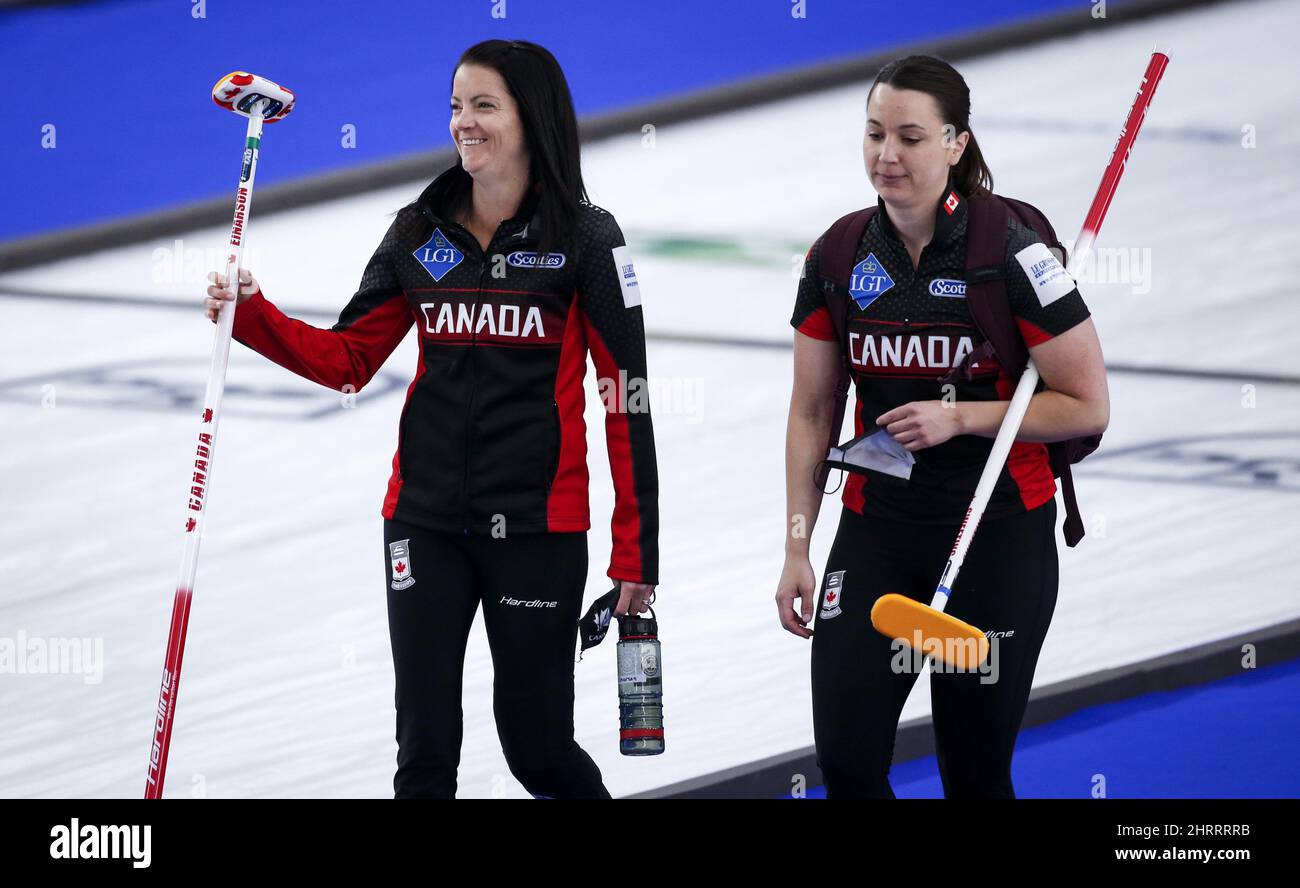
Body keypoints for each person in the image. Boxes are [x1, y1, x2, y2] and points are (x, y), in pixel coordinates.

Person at [204, 39, 659, 799]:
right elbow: (348, 358)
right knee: (423, 756)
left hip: (539, 530)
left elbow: (627, 399)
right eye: (456, 106)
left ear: (531, 116)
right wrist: (249, 315)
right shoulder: (418, 230)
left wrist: (635, 554)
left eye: (484, 105)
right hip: (423, 522)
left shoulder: (587, 241)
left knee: (538, 751)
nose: (464, 124)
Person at [776, 55, 1108, 799]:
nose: (886, 155)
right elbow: (810, 411)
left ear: (957, 144)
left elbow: (1086, 406)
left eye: (911, 138)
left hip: (996, 537)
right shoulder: (838, 253)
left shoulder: (1012, 252)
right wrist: (797, 546)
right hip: (878, 532)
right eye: (873, 135)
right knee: (849, 766)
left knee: (975, 774)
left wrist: (960, 417)